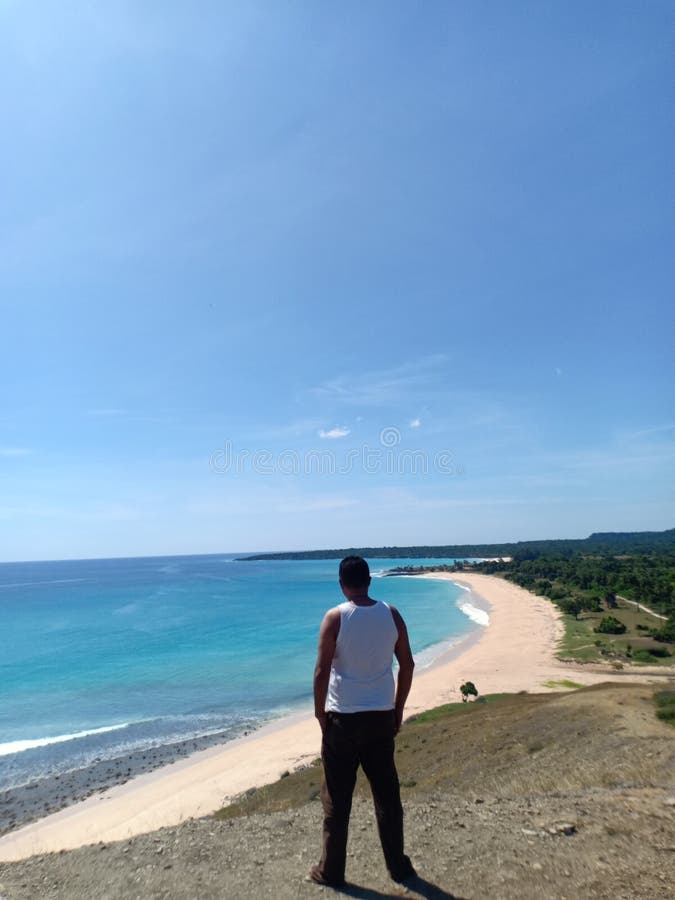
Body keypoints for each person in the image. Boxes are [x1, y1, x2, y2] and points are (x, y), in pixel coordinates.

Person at [310, 555, 416, 887]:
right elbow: (408, 665)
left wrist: (319, 714)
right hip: (381, 718)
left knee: (337, 801)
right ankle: (397, 867)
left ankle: (332, 872)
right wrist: (398, 709)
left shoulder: (335, 617)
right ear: (369, 580)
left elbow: (321, 670)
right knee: (387, 795)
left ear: (342, 584)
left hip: (342, 720)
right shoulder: (392, 614)